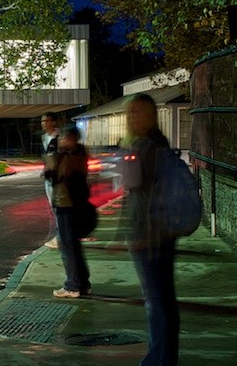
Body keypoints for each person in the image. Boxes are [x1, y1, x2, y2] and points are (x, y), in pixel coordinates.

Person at [124, 93, 179, 366]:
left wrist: (144, 234)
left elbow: (139, 189)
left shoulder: (148, 147)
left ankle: (160, 359)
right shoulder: (157, 144)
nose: (132, 117)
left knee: (157, 302)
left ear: (151, 116)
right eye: (130, 112)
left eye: (138, 112)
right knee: (161, 300)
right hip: (158, 233)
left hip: (151, 236)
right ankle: (159, 357)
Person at [45, 124, 91, 298]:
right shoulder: (79, 153)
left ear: (71, 138)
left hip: (67, 204)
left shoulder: (71, 156)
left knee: (68, 246)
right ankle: (82, 283)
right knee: (74, 246)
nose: (62, 140)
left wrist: (52, 167)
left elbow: (59, 176)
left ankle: (72, 286)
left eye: (65, 137)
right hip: (74, 204)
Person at [40, 113, 61, 248]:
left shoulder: (59, 138)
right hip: (48, 179)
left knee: (59, 208)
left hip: (58, 179)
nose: (44, 123)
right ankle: (59, 235)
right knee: (54, 209)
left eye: (47, 121)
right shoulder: (44, 138)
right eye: (42, 121)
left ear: (53, 122)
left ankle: (60, 237)